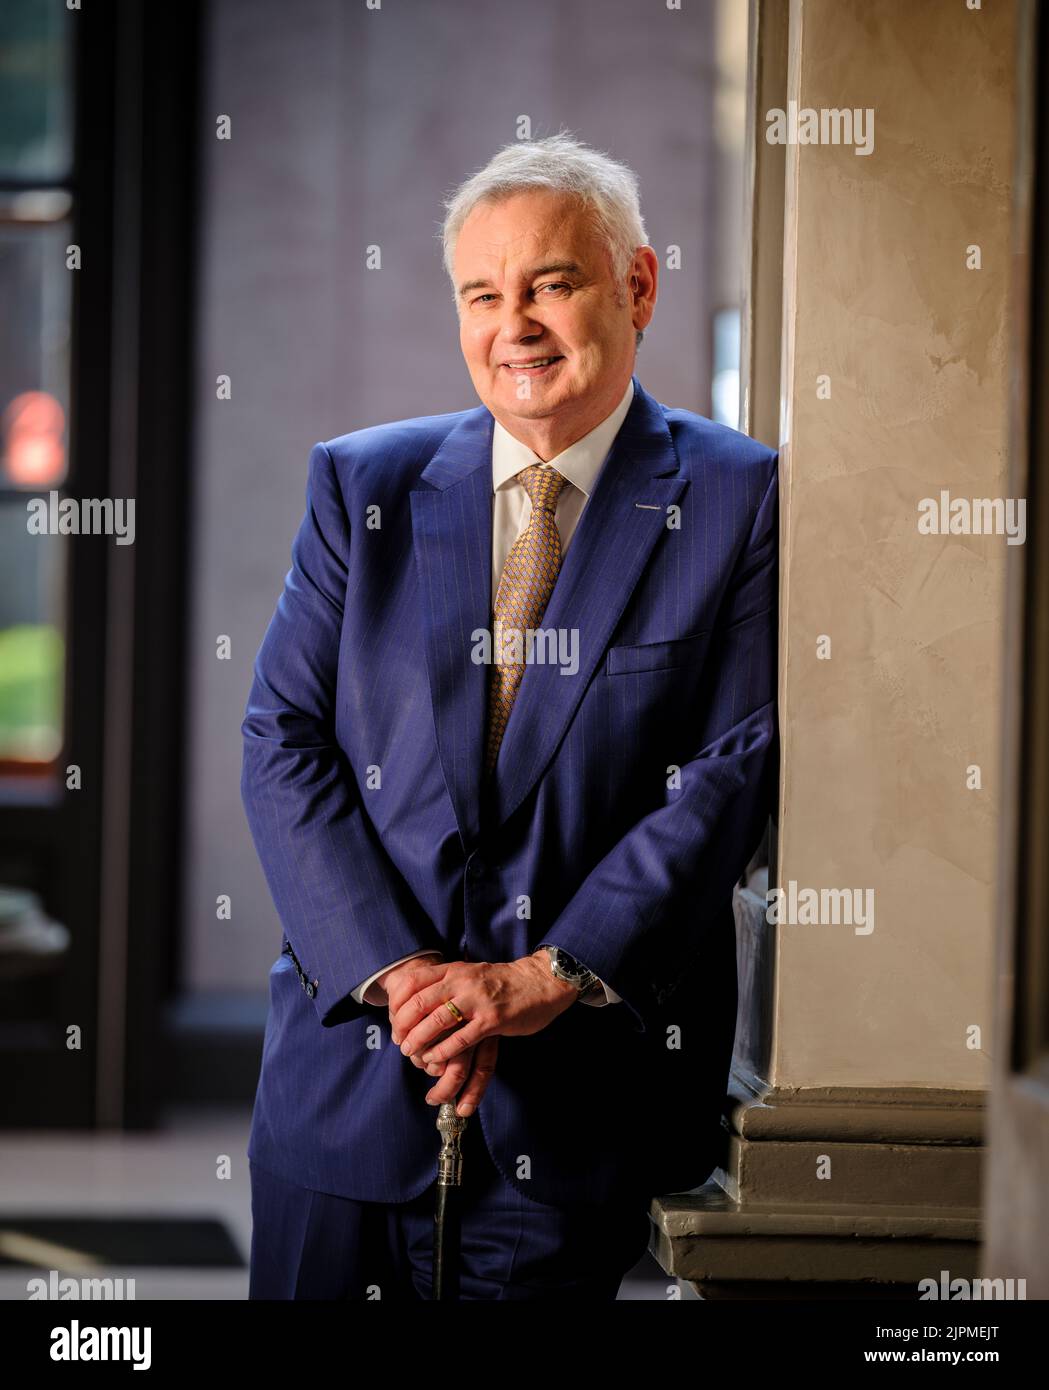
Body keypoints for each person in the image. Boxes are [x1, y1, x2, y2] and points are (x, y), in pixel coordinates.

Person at [240, 133, 778, 1300]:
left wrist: (542, 976)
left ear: (636, 286)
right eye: (483, 294)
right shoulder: (361, 485)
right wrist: (400, 974)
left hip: (572, 1108)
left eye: (551, 283)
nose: (513, 325)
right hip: (347, 1094)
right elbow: (282, 739)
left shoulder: (739, 498)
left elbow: (732, 771)